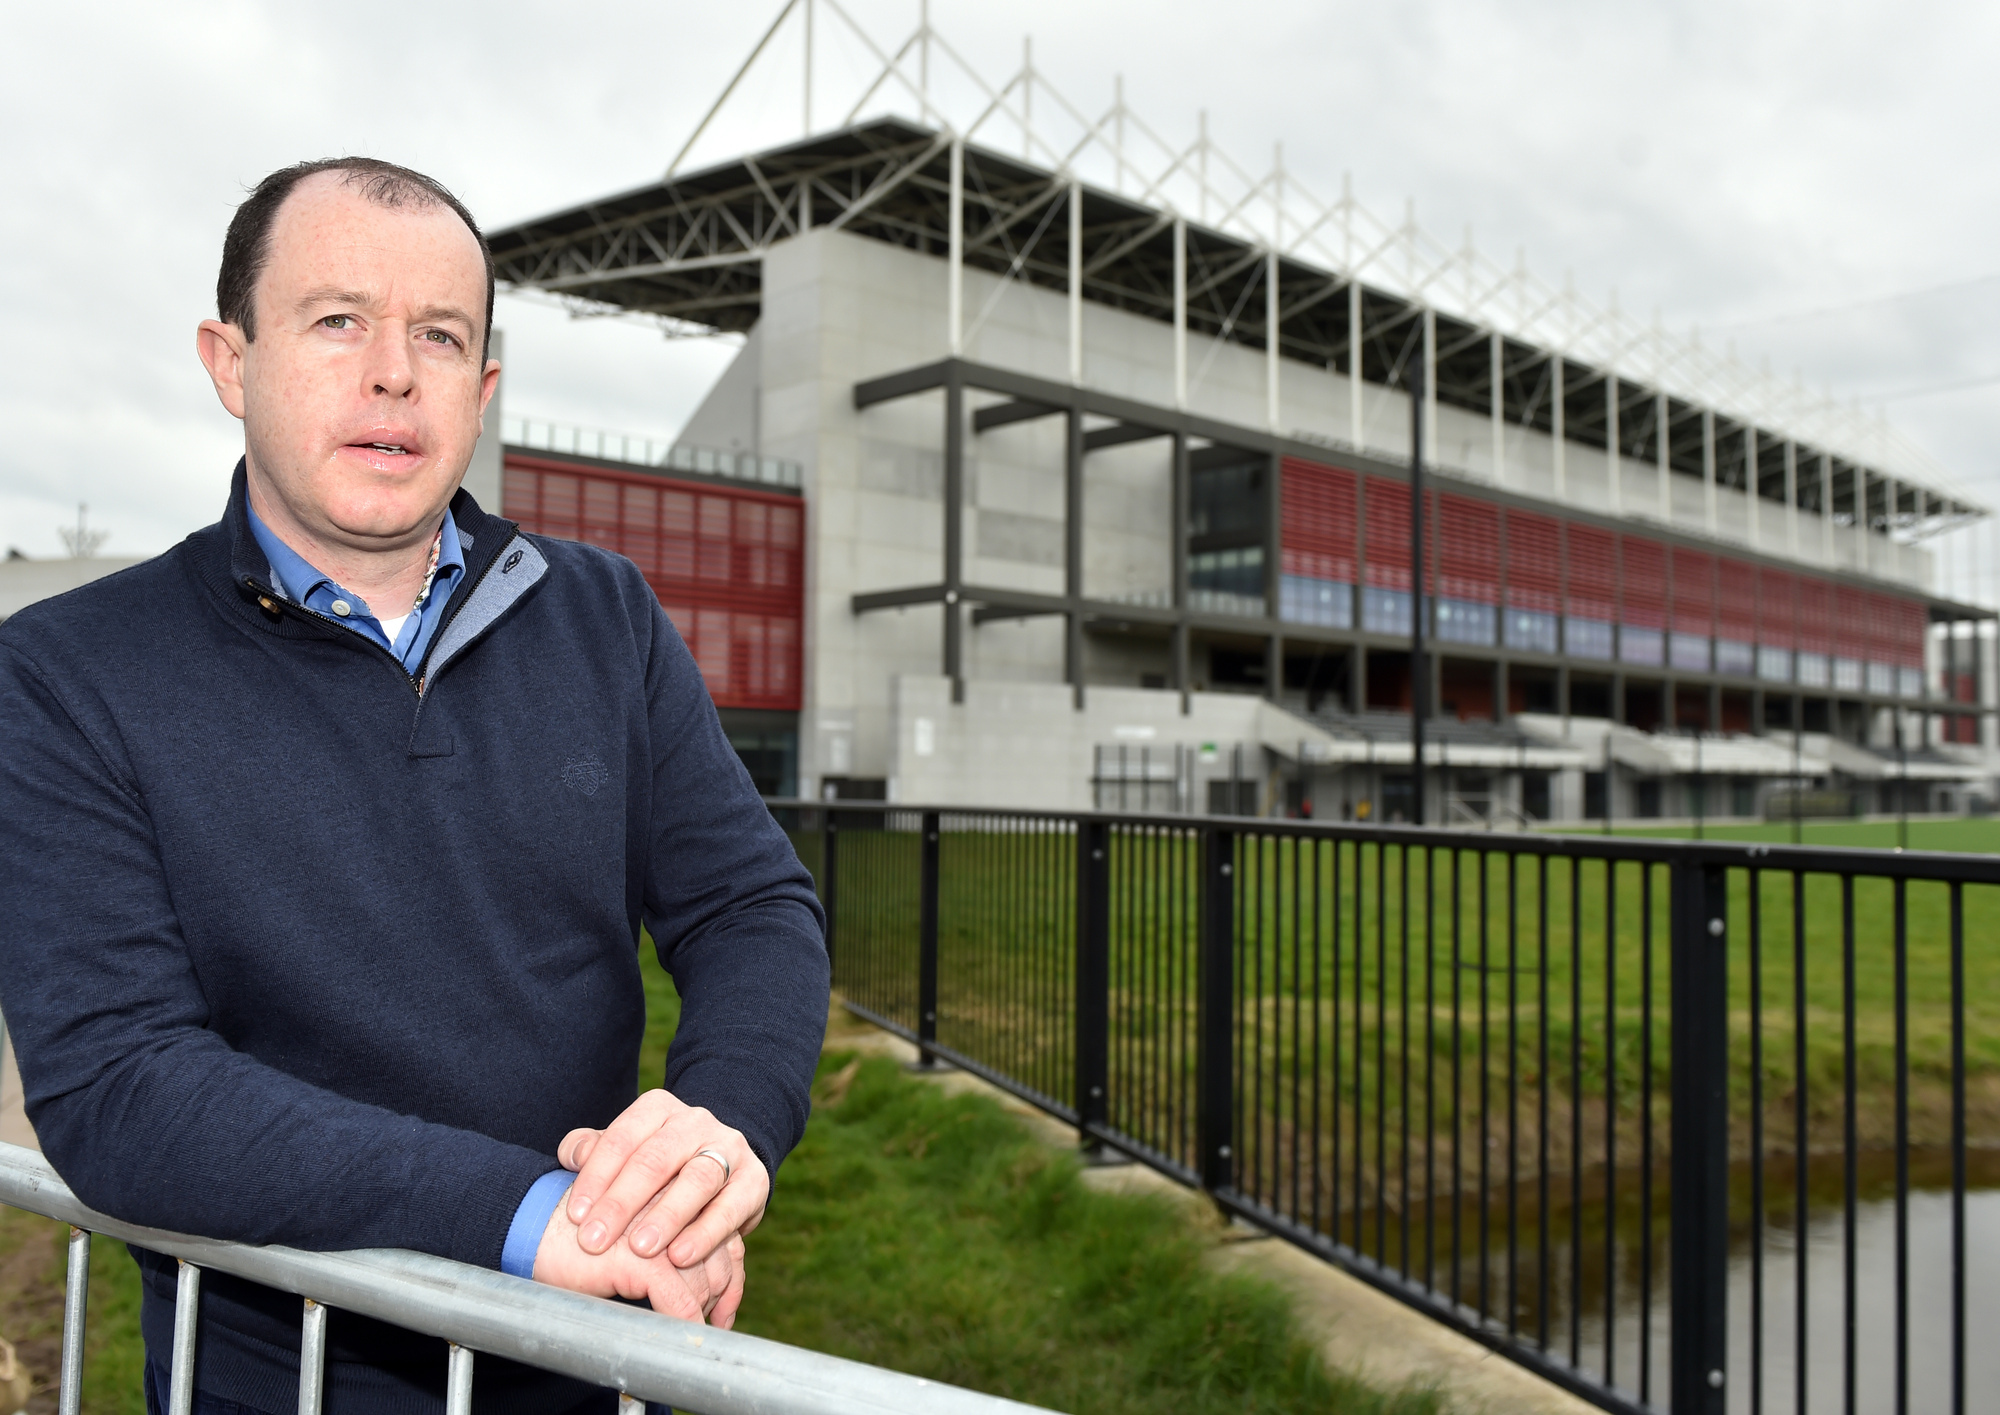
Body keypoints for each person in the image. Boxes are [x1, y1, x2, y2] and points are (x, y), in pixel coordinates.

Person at [0, 158, 830, 1413]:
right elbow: (119, 1081)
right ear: (231, 361)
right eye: (338, 320)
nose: (394, 371)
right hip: (286, 1377)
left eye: (439, 335)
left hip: (602, 1357)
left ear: (482, 388)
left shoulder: (603, 615)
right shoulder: (68, 671)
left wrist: (712, 1138)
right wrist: (529, 1214)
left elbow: (750, 904)